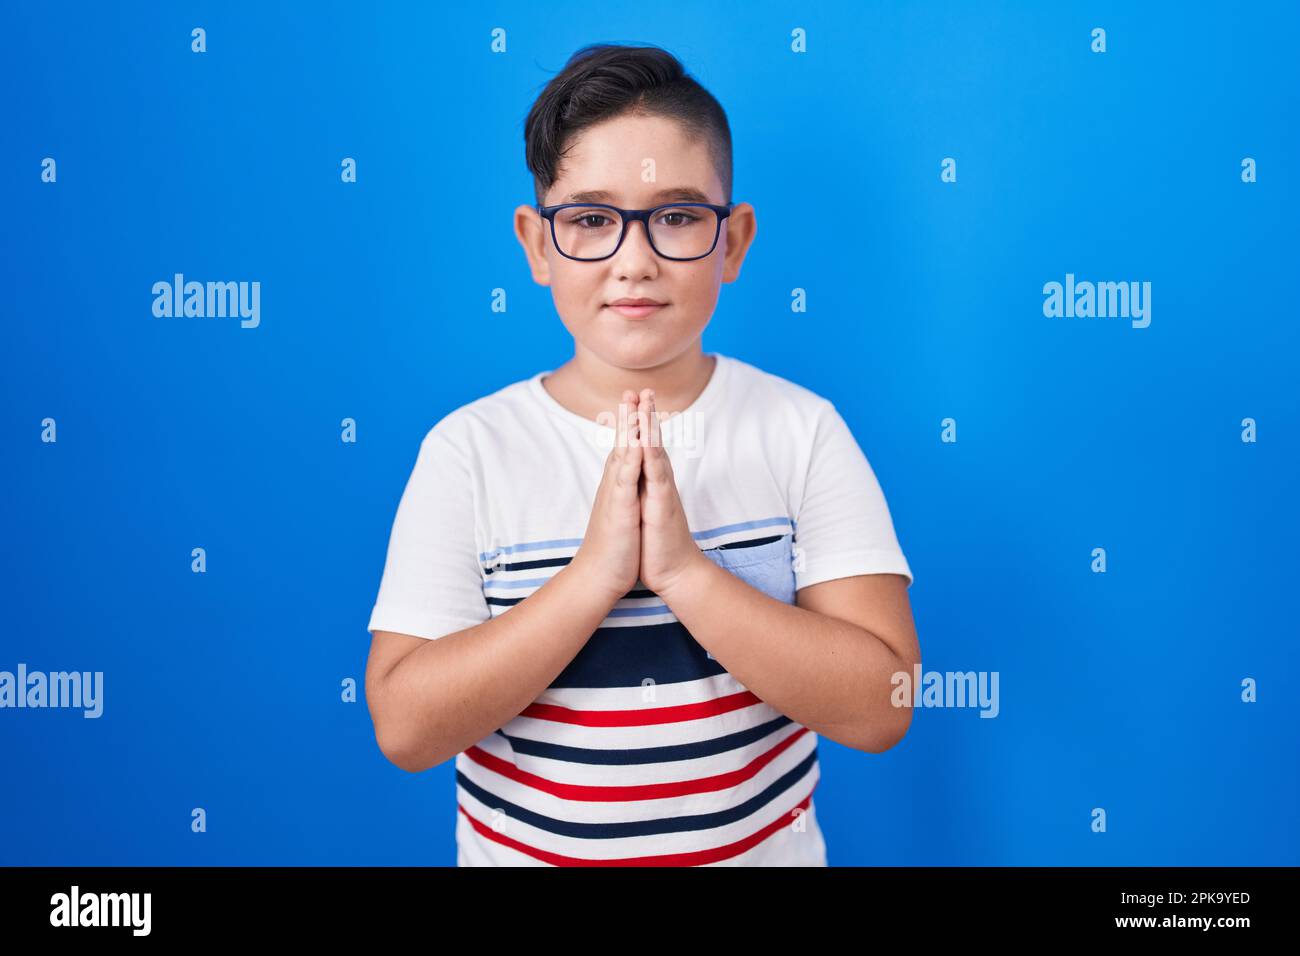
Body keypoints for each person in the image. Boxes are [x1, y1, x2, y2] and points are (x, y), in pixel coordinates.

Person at [364, 42, 920, 866]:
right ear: (538, 244)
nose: (635, 261)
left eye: (677, 216)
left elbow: (883, 705)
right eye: (591, 219)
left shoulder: (801, 431)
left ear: (732, 243)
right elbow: (406, 729)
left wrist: (687, 574)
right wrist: (593, 576)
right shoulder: (467, 452)